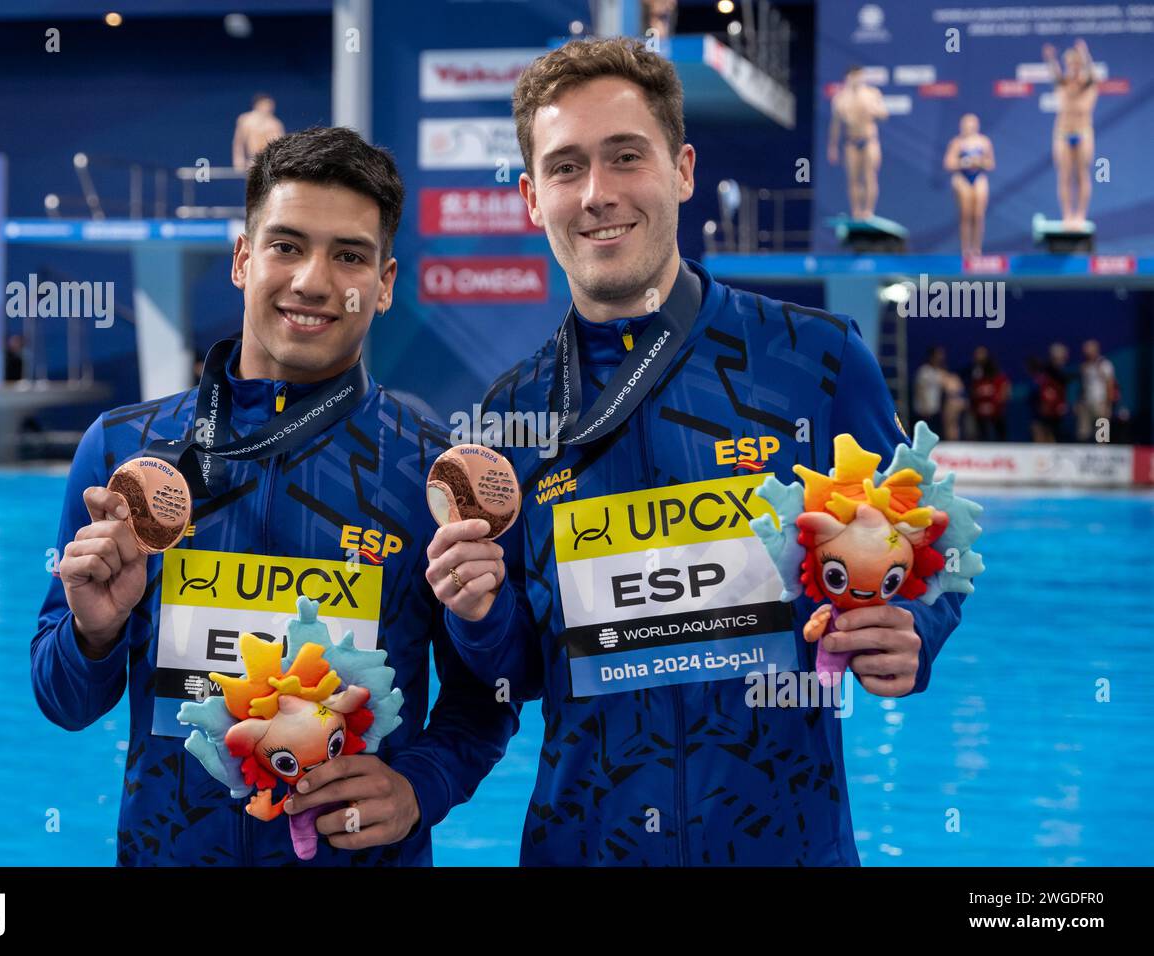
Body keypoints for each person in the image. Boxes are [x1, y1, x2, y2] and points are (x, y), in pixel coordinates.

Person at [424, 38, 966, 866]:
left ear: (681, 170)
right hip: (583, 844)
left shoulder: (812, 362)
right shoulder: (510, 420)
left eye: (625, 158)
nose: (598, 194)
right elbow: (520, 674)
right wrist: (476, 613)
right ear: (533, 199)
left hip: (787, 843)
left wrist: (915, 626)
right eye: (567, 168)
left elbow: (938, 535)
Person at [31, 127, 518, 866]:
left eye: (349, 255)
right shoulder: (125, 453)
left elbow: (495, 692)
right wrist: (94, 633)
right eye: (286, 245)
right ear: (242, 259)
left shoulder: (432, 473)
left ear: (384, 284)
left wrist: (421, 785)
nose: (313, 281)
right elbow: (63, 701)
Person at [1042, 40, 1098, 228]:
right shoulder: (1062, 84)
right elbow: (1054, 73)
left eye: (1077, 65)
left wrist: (1085, 54)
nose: (1073, 68)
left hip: (1083, 132)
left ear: (1081, 65)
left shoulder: (1088, 85)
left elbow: (1091, 74)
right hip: (1062, 132)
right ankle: (1067, 215)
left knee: (1081, 173)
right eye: (1070, 65)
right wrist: (1050, 58)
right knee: (1064, 175)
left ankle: (1080, 215)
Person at [828, 65, 888, 219]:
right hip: (851, 142)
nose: (856, 80)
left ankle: (868, 211)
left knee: (870, 176)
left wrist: (873, 109)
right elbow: (835, 125)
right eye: (853, 77)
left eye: (859, 76)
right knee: (853, 178)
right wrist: (833, 146)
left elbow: (884, 114)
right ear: (847, 78)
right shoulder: (840, 99)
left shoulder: (872, 94)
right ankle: (856, 211)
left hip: (869, 140)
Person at [943, 114, 995, 257]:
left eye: (971, 124)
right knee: (966, 215)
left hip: (978, 177)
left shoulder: (984, 142)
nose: (969, 127)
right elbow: (948, 163)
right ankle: (965, 249)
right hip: (963, 178)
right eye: (966, 124)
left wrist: (979, 162)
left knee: (978, 215)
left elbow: (991, 164)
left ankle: (977, 248)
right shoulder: (957, 143)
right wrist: (964, 163)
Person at [232, 93, 287, 171]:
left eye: (270, 106)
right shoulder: (245, 120)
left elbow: (280, 145)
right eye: (266, 105)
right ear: (258, 105)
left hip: (269, 160)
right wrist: (238, 159)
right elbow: (238, 142)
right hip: (252, 159)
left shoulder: (275, 124)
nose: (268, 108)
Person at [1029, 342, 1071, 443]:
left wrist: (1062, 405)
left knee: (1054, 438)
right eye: (1056, 358)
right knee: (1040, 435)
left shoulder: (1064, 375)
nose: (1060, 361)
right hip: (1041, 414)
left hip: (1057, 416)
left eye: (1062, 358)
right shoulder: (1043, 373)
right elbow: (1035, 392)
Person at [966, 346, 1010, 442]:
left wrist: (999, 401)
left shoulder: (995, 372)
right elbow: (972, 391)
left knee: (1000, 434)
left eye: (981, 354)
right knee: (982, 435)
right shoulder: (972, 371)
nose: (978, 357)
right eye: (977, 354)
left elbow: (1004, 387)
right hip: (979, 412)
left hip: (996, 410)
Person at [1076, 338, 1116, 441]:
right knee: (1083, 434)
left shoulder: (1104, 364)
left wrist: (1108, 403)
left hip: (1101, 402)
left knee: (1101, 436)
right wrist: (1079, 402)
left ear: (1096, 350)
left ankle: (1102, 455)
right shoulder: (1084, 366)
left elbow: (1110, 384)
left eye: (1088, 349)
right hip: (1086, 403)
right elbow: (1083, 386)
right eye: (1085, 349)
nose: (1086, 352)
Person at [913, 346, 947, 436]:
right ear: (932, 356)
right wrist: (924, 406)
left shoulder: (940, 372)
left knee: (935, 434)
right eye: (938, 355)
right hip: (924, 409)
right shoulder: (924, 371)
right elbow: (920, 389)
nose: (940, 357)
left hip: (935, 409)